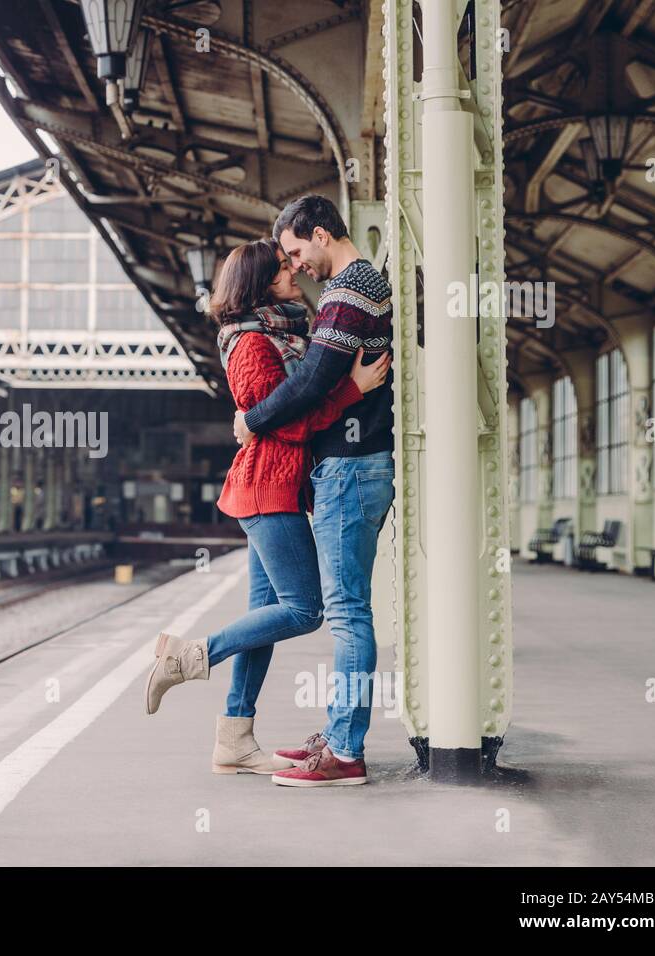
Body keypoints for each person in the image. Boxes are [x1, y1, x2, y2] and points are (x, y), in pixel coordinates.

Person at [143, 239, 391, 777]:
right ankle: (189, 656)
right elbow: (285, 419)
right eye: (282, 269)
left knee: (265, 618)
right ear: (258, 285)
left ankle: (234, 736)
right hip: (267, 490)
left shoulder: (279, 331)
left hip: (276, 489)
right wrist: (351, 389)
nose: (293, 273)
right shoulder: (253, 344)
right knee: (304, 611)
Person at [232, 194, 395, 788]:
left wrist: (253, 421)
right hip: (348, 466)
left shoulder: (351, 289)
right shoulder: (346, 289)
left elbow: (310, 382)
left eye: (297, 251)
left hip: (352, 467)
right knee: (346, 612)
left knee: (348, 613)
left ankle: (346, 752)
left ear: (321, 234)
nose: (294, 264)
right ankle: (337, 737)